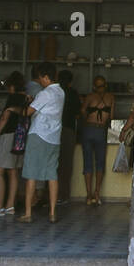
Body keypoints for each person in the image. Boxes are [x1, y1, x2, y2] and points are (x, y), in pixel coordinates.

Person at [18, 62, 64, 223]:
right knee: (52, 174)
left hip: (39, 135)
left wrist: (22, 105)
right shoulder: (61, 92)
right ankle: (52, 213)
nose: (39, 82)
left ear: (46, 77)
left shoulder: (45, 93)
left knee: (31, 174)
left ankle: (28, 213)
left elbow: (28, 112)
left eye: (40, 79)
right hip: (54, 137)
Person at [0, 70, 28, 218]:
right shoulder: (26, 98)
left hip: (8, 135)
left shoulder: (13, 98)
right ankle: (10, 206)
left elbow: (5, 118)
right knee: (13, 171)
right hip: (21, 137)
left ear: (11, 86)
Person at [79, 75, 115, 205]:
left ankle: (88, 195)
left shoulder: (89, 97)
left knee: (87, 162)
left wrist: (88, 117)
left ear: (94, 86)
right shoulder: (111, 97)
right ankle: (97, 194)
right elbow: (111, 116)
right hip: (101, 131)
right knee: (100, 163)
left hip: (88, 129)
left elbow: (82, 110)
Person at [56, 68, 79, 206]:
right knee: (66, 165)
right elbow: (78, 113)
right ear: (71, 81)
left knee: (53, 164)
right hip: (68, 130)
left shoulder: (55, 93)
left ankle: (51, 195)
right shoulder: (73, 93)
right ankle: (64, 195)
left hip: (53, 131)